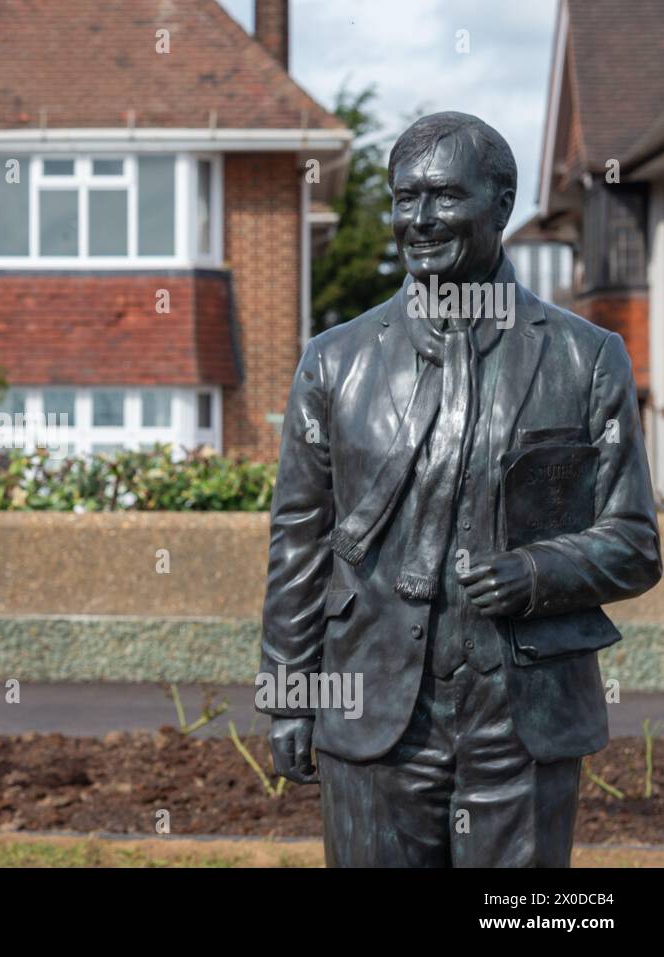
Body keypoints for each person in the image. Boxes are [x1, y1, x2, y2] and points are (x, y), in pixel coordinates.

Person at [256, 112, 661, 866]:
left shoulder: (587, 358)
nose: (420, 219)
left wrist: (536, 572)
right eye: (405, 198)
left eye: (444, 196)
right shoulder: (333, 363)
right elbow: (299, 546)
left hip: (524, 722)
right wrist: (288, 693)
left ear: (501, 203)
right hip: (373, 716)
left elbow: (635, 544)